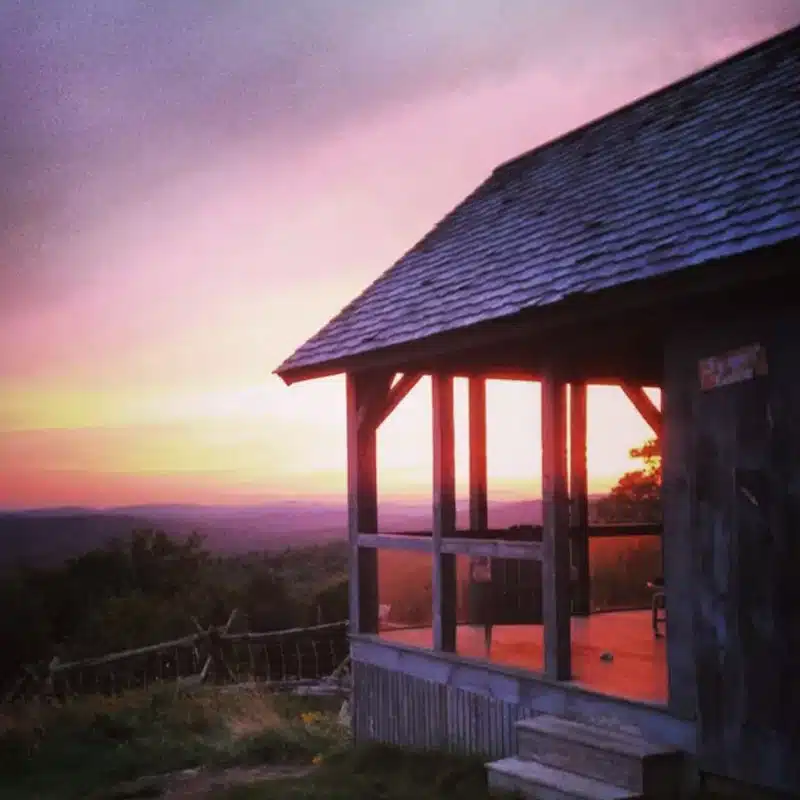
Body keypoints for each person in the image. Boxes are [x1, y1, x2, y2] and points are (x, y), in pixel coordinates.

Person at [468, 556, 494, 657]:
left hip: (485, 589)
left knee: (487, 622)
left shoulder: (487, 560)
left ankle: (486, 649)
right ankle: (482, 649)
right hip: (479, 589)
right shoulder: (475, 562)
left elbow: (486, 575)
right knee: (479, 622)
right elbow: (476, 575)